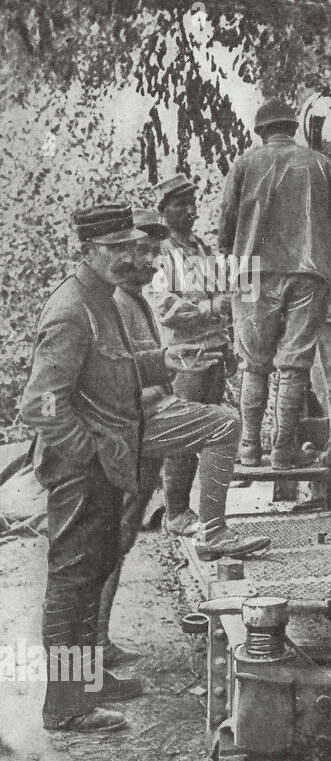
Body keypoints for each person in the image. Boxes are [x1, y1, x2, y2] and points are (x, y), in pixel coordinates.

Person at [20, 204, 221, 731]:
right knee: (71, 585)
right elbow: (39, 403)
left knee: (92, 576)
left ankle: (90, 679)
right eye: (113, 249)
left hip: (108, 466)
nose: (126, 257)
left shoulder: (101, 300)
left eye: (128, 246)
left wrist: (162, 363)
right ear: (86, 251)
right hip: (81, 473)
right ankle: (64, 705)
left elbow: (110, 369)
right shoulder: (70, 309)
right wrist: (87, 451)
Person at [95, 210, 270, 670]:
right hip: (137, 419)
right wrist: (164, 368)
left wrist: (170, 361)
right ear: (120, 255)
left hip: (143, 415)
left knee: (122, 535)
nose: (153, 261)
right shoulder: (117, 300)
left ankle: (96, 641)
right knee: (224, 424)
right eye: (144, 252)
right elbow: (115, 373)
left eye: (154, 251)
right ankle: (211, 530)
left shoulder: (131, 295)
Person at [219, 97, 331, 470]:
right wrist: (327, 259)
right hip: (308, 275)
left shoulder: (244, 164)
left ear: (261, 132)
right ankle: (282, 451)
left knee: (253, 364)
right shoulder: (320, 165)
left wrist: (234, 251)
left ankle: (247, 448)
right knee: (294, 365)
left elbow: (227, 222)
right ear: (293, 129)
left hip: (252, 274)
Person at [149, 173, 234, 536]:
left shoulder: (202, 248)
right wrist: (211, 307)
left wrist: (226, 341)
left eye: (192, 202)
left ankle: (198, 514)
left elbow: (226, 296)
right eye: (180, 203)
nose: (189, 209)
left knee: (210, 433)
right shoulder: (160, 254)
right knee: (183, 433)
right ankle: (177, 512)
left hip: (212, 352)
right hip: (184, 357)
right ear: (163, 210)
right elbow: (166, 308)